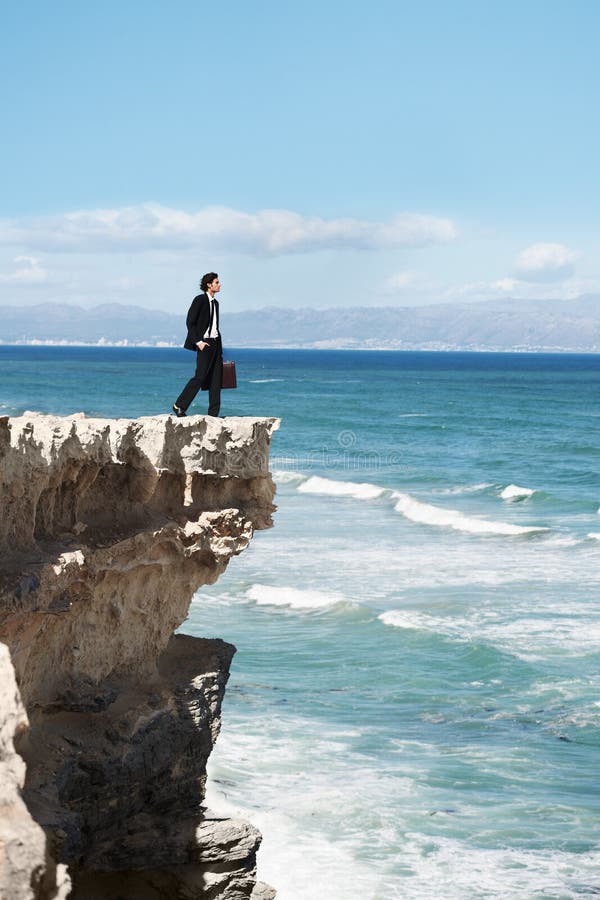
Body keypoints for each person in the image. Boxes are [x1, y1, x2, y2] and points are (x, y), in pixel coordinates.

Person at [172, 273, 223, 417]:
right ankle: (179, 405)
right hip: (204, 344)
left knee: (216, 380)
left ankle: (214, 414)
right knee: (200, 377)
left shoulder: (216, 303)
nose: (219, 285)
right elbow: (190, 322)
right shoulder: (200, 300)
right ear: (209, 285)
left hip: (216, 344)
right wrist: (199, 342)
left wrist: (219, 348)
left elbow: (214, 326)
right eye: (217, 282)